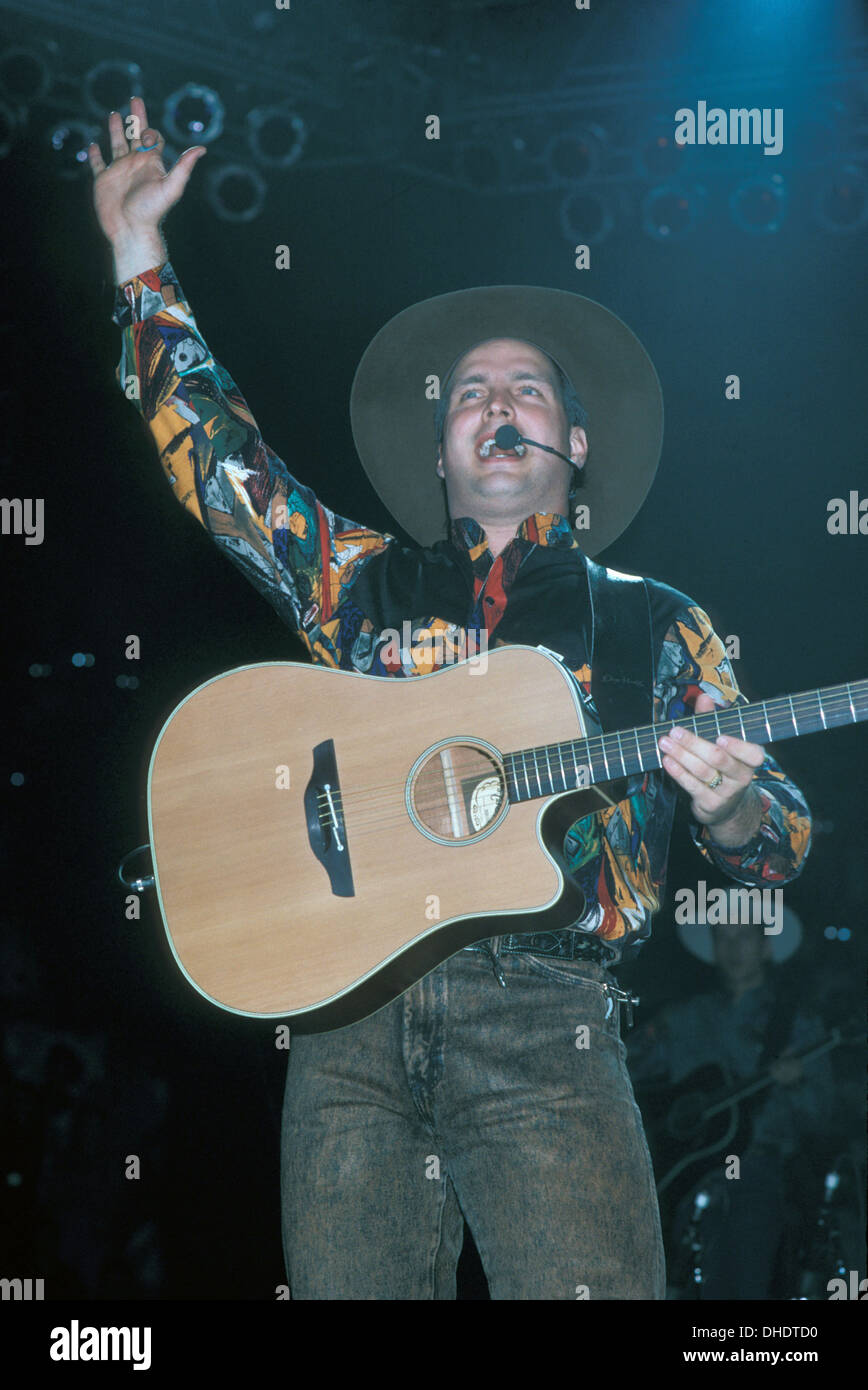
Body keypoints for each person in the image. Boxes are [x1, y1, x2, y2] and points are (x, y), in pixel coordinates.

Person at [89, 96, 812, 1299]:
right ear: (440, 453)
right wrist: (136, 253)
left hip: (552, 1028)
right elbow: (219, 468)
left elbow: (775, 845)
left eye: (525, 391)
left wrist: (733, 810)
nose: (495, 406)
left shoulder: (658, 622)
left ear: (574, 442)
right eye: (469, 393)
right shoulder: (358, 583)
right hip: (347, 1027)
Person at [627, 903, 834, 1298]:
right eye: (724, 938)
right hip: (680, 1175)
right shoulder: (685, 1016)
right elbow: (624, 1069)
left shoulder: (798, 1024)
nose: (734, 947)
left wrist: (796, 1084)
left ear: (767, 947)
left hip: (756, 1173)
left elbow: (821, 1116)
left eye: (745, 937)